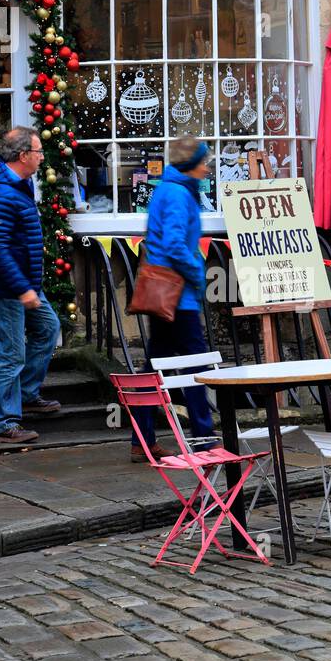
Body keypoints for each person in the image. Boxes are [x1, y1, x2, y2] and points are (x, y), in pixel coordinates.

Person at [131, 135, 216, 462]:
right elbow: (177, 245)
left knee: (156, 366)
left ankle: (142, 439)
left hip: (161, 293)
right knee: (195, 366)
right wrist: (197, 273)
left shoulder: (166, 187)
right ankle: (205, 438)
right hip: (178, 296)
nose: (207, 167)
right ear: (191, 164)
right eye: (203, 161)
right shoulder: (180, 194)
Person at [0, 127, 62, 443]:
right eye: (39, 152)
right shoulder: (2, 192)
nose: (42, 158)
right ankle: (3, 424)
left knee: (48, 328)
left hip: (25, 283)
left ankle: (26, 393)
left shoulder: (20, 185)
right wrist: (22, 288)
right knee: (10, 354)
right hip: (8, 287)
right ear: (24, 155)